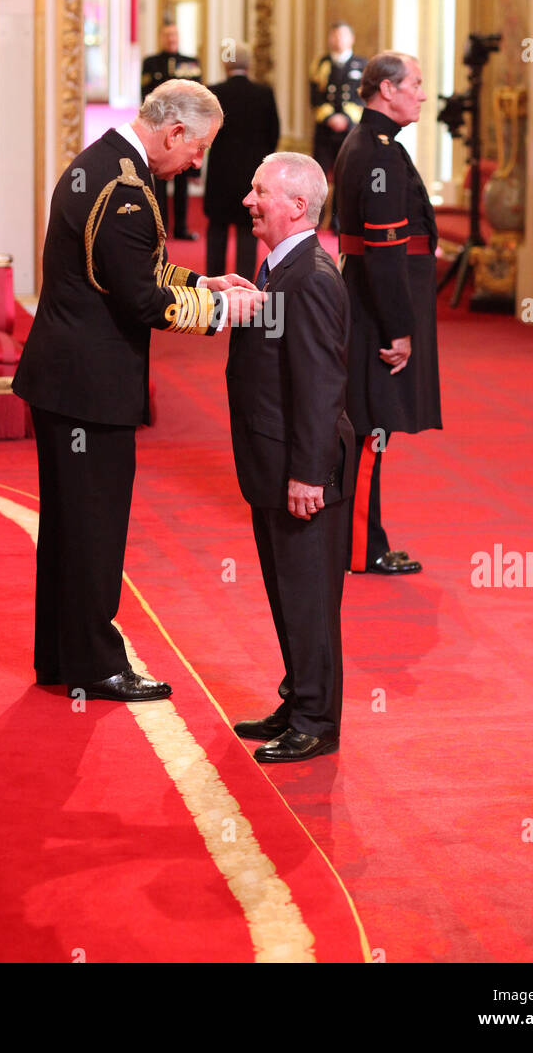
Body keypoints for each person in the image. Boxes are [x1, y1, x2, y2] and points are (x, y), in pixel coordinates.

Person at [13, 80, 261, 703]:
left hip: (67, 379)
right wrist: (221, 310)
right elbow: (143, 298)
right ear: (174, 132)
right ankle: (96, 665)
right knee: (94, 527)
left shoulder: (111, 164)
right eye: (198, 148)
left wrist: (203, 278)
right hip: (87, 388)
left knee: (70, 526)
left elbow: (139, 263)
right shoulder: (124, 186)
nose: (198, 163)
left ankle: (60, 656)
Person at [226, 153, 354, 763]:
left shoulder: (311, 278)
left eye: (259, 192)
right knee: (287, 591)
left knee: (308, 596)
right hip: (271, 463)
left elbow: (320, 385)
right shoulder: (281, 268)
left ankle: (316, 719)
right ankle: (297, 695)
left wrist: (309, 473)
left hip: (299, 470)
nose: (248, 201)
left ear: (296, 206)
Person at [333, 52, 442, 575]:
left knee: (374, 429)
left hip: (371, 301)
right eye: (416, 84)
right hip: (380, 313)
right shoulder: (378, 155)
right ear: (386, 90)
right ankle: (362, 547)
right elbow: (384, 252)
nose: (423, 94)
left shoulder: (375, 145)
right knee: (373, 430)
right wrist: (400, 329)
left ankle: (367, 540)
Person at [204, 41, 280, 281]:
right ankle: (244, 293)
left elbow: (205, 133)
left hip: (220, 175)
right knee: (248, 232)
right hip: (251, 175)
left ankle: (214, 298)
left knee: (217, 232)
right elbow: (274, 134)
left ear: (225, 63)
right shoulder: (264, 93)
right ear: (249, 64)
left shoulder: (213, 92)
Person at [141, 23, 202, 239]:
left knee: (181, 181)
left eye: (175, 34)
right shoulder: (151, 63)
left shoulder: (190, 62)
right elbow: (146, 96)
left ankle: (181, 227)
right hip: (159, 129)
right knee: (158, 180)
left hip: (183, 129)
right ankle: (160, 227)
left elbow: (196, 96)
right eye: (167, 34)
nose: (171, 38)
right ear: (161, 37)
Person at [309, 21, 366, 229]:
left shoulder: (362, 65)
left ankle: (340, 220)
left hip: (349, 131)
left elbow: (363, 98)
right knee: (319, 176)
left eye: (342, 36)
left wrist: (347, 119)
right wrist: (329, 118)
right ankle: (315, 219)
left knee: (346, 176)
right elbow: (315, 96)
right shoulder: (320, 64)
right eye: (333, 36)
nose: (337, 40)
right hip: (325, 130)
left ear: (351, 39)